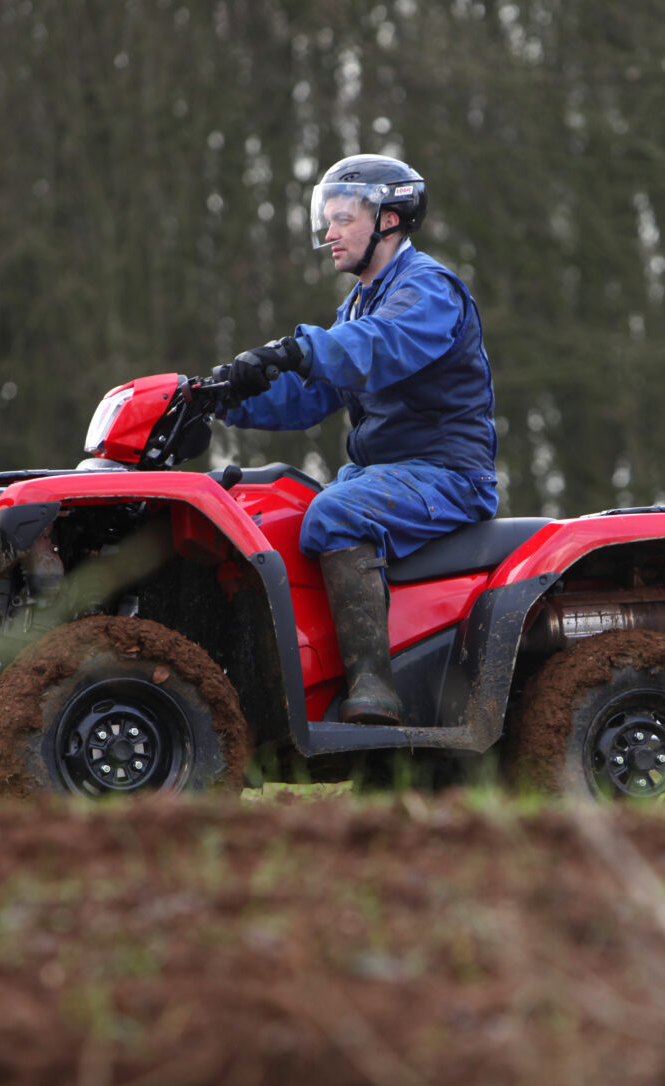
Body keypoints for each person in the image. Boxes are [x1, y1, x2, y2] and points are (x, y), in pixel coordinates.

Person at [213, 154, 498, 726]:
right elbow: (310, 398)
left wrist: (296, 348)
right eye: (328, 218)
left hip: (447, 475)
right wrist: (220, 400)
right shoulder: (361, 302)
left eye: (343, 218)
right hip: (387, 476)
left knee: (334, 514)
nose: (329, 232)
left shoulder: (429, 290)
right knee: (278, 517)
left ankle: (375, 689)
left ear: (389, 220)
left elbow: (378, 347)